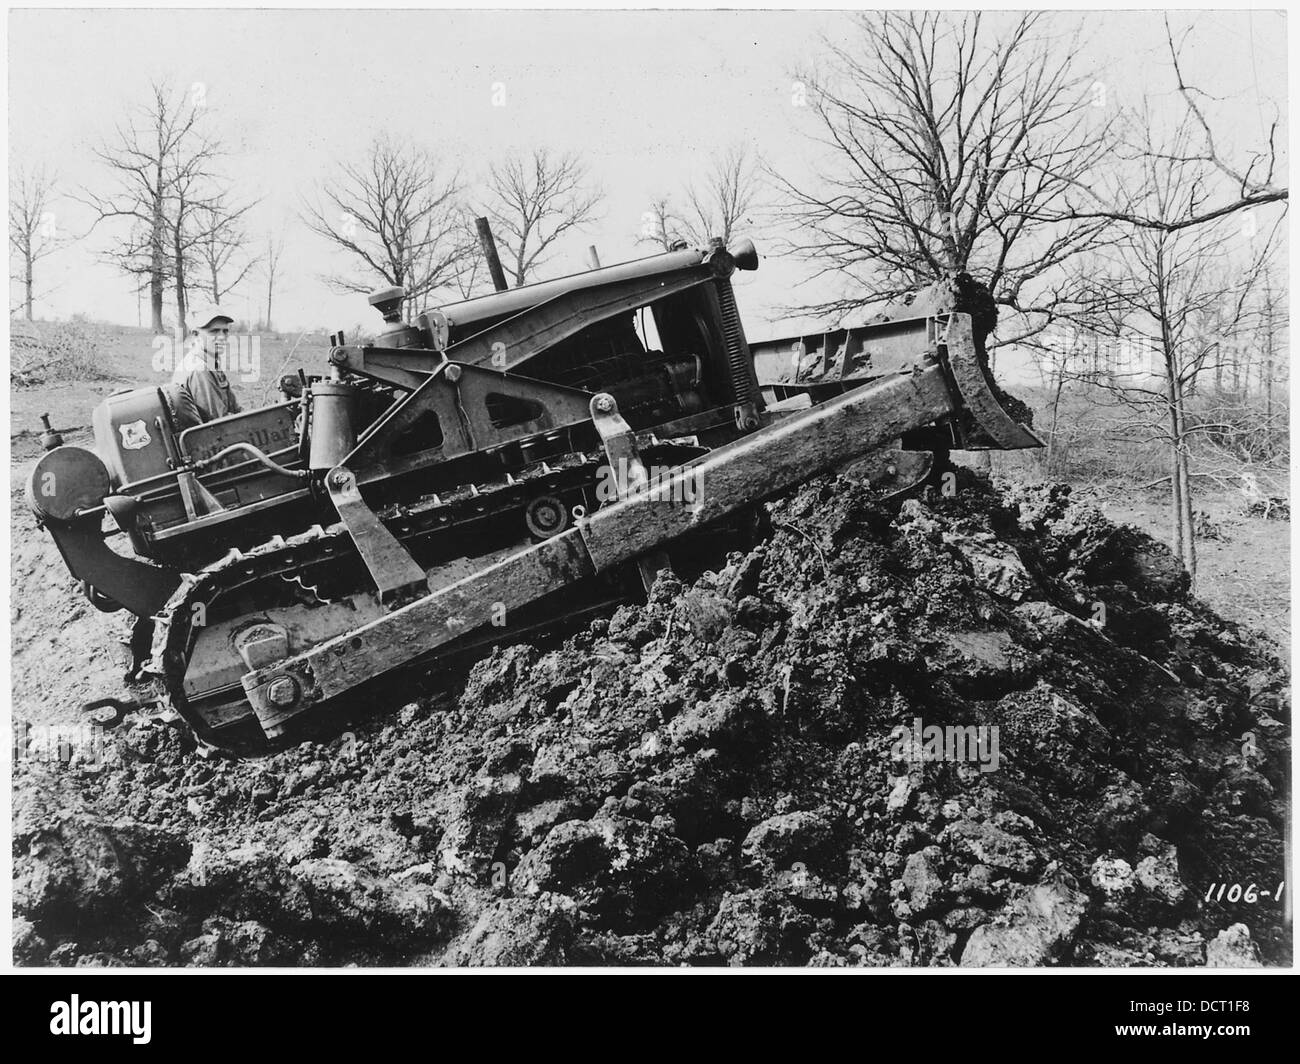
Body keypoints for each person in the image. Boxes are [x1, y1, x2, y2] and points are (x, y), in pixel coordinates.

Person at [172, 307, 242, 427]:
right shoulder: (199, 369)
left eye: (225, 331)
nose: (221, 337)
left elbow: (236, 409)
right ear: (195, 335)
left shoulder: (210, 363)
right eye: (214, 331)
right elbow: (219, 423)